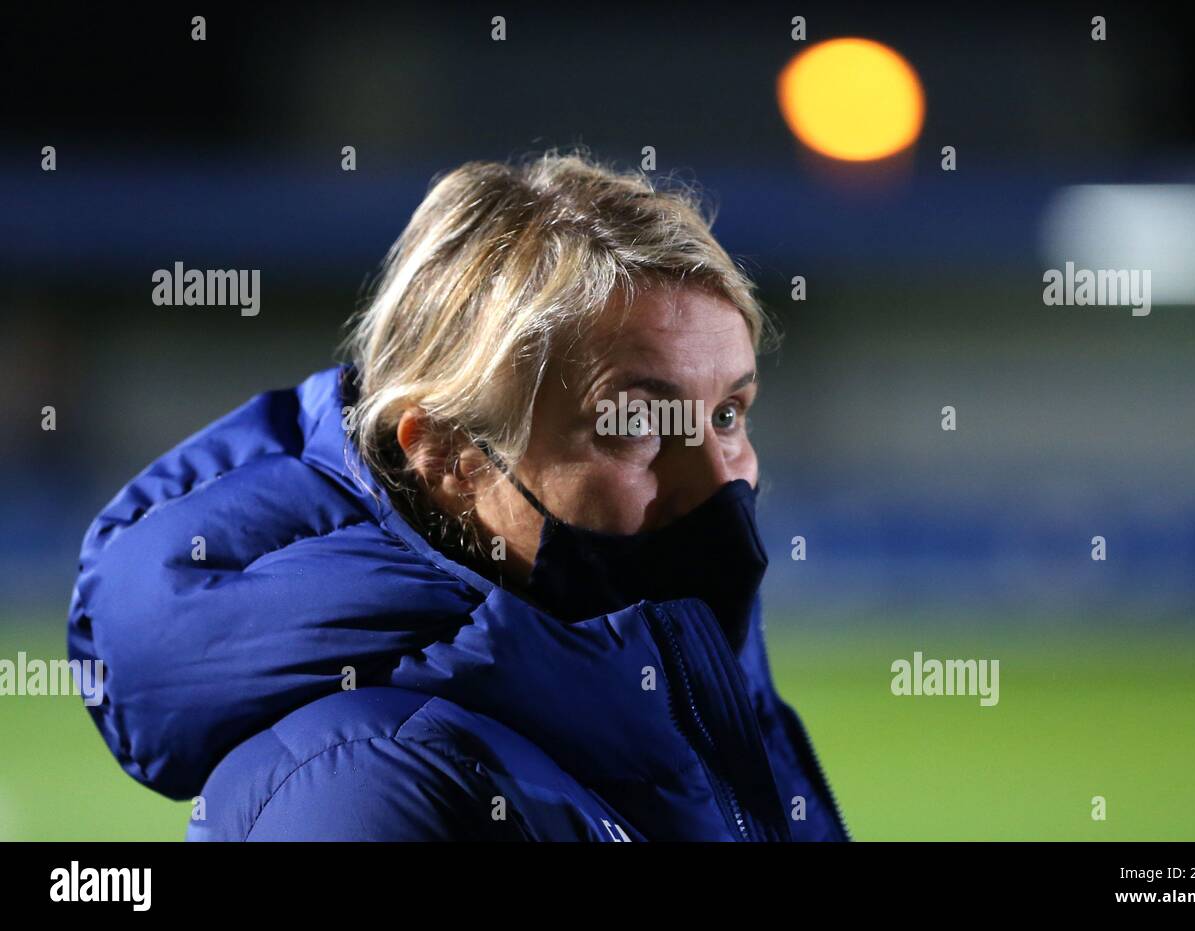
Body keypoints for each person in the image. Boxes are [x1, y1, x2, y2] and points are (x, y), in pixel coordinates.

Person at [68, 149, 849, 841]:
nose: (719, 482)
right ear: (448, 456)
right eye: (635, 422)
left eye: (726, 415)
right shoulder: (364, 788)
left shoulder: (681, 671)